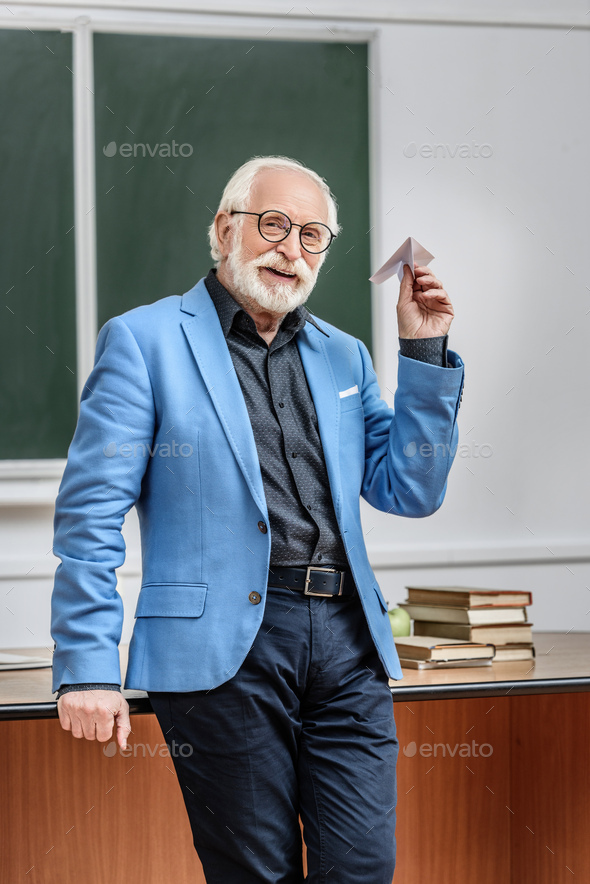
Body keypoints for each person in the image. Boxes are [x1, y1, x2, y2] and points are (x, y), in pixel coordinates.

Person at [52, 155, 464, 883]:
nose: (291, 249)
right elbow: (90, 515)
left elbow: (410, 490)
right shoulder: (144, 342)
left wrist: (423, 350)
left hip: (346, 644)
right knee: (256, 874)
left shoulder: (346, 356)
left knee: (362, 869)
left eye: (312, 235)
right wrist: (86, 667)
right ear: (225, 229)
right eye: (273, 225)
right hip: (223, 654)